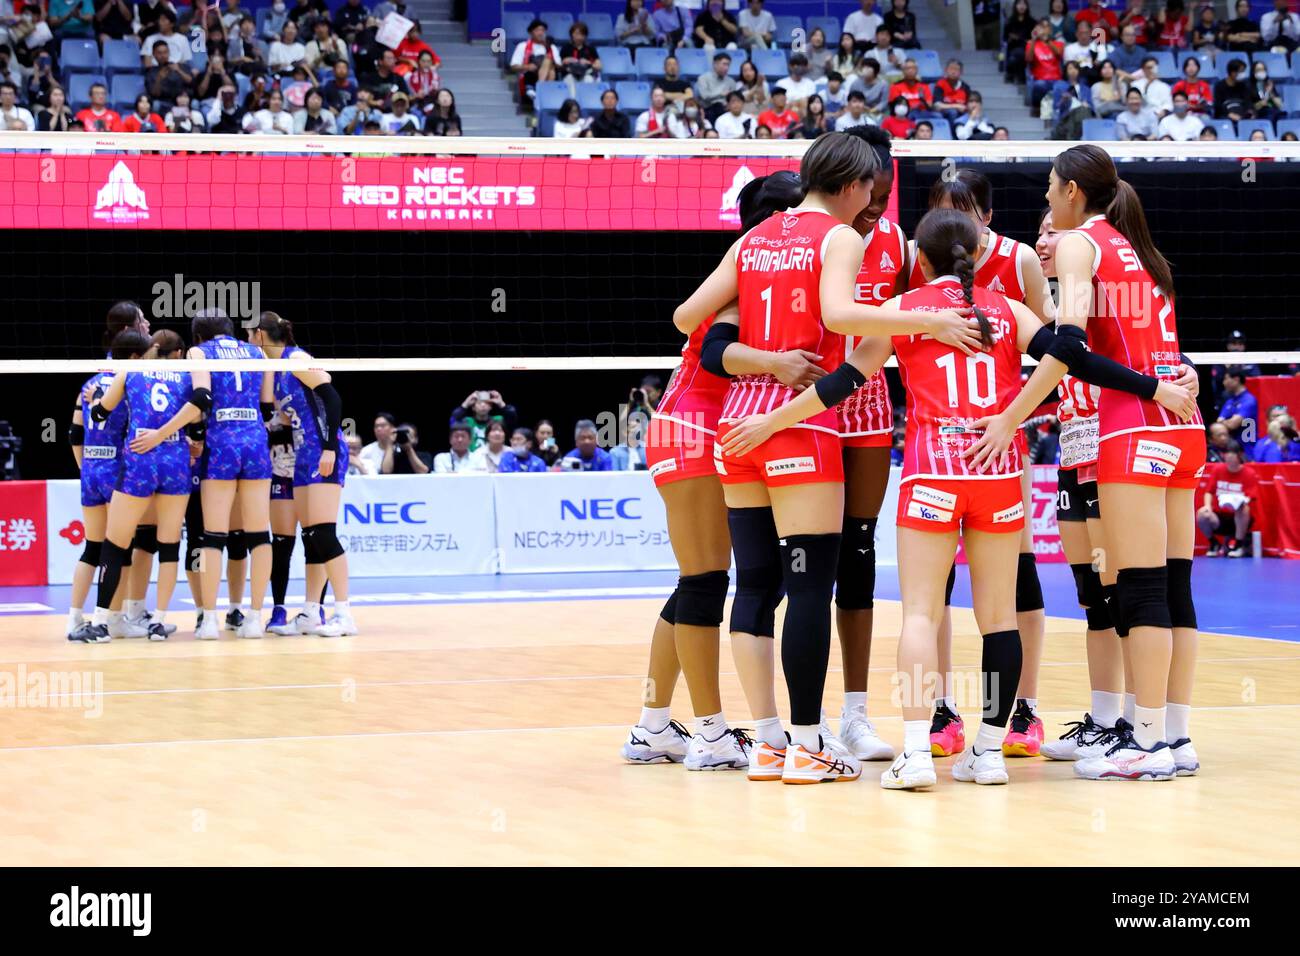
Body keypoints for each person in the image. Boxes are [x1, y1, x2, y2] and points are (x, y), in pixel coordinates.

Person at [674, 132, 983, 784]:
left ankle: (765, 742)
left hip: (737, 423)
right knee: (812, 582)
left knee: (755, 585)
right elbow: (841, 318)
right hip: (799, 422)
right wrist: (924, 321)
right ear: (850, 184)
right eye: (871, 188)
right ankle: (809, 743)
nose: (873, 200)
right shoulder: (840, 236)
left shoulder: (753, 238)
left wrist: (748, 318)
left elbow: (684, 318)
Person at [967, 144, 1205, 781]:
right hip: (1182, 426)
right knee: (1171, 589)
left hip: (1129, 425)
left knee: (1141, 590)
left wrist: (1015, 402)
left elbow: (1069, 338)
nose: (1045, 198)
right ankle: (1174, 737)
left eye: (1049, 186)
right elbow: (1158, 344)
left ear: (1073, 191)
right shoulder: (1142, 253)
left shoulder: (1081, 242)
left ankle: (1146, 741)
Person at [624, 172, 826, 770]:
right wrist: (777, 363)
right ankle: (711, 734)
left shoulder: (768, 277)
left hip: (712, 434)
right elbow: (701, 336)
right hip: (692, 430)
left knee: (696, 582)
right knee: (705, 584)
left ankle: (652, 724)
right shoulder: (742, 278)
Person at [1031, 208, 1200, 762]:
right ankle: (1112, 719)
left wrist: (1185, 367)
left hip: (1118, 439)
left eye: (1053, 230)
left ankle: (1140, 723)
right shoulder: (1050, 295)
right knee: (1093, 594)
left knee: (1130, 587)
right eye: (1040, 232)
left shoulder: (1108, 277)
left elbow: (1141, 347)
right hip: (1076, 449)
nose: (1045, 239)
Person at [906, 170, 1056, 757]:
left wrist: (1012, 418)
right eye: (941, 210)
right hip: (956, 445)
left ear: (985, 216)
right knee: (940, 591)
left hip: (997, 440)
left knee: (1015, 584)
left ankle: (1024, 709)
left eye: (961, 210)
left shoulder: (1018, 261)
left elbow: (1057, 339)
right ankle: (942, 710)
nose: (951, 220)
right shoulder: (927, 266)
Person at [77, 332, 196, 643]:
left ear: (150, 349)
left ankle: (101, 622)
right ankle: (158, 621)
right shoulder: (186, 374)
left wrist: (97, 404)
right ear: (176, 352)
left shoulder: (131, 371)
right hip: (175, 461)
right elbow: (197, 419)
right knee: (169, 543)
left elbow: (101, 412)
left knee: (115, 544)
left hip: (140, 460)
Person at [253, 312, 356, 637]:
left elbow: (331, 396)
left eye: (250, 335)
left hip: (322, 450)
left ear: (260, 335)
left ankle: (344, 613)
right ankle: (311, 612)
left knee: (324, 532)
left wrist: (329, 447)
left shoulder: (296, 359)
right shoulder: (277, 369)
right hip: (301, 454)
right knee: (312, 535)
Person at [176, 312, 275, 641]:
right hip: (255, 441)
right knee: (259, 534)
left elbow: (202, 396)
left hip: (221, 443)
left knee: (213, 535)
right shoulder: (257, 351)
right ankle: (254, 618)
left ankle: (209, 621)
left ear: (200, 336)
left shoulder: (199, 352)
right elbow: (267, 406)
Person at [67, 330, 146, 641]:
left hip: (91, 470)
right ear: (136, 358)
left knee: (92, 548)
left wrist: (85, 468)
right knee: (118, 549)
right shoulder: (129, 383)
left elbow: (74, 434)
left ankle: (73, 619)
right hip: (117, 470)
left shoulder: (89, 384)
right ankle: (113, 620)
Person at [1197, 441, 1257, 556]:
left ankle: (1238, 545)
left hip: (1240, 517)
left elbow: (1251, 497)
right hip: (1220, 517)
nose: (1229, 460)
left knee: (1243, 509)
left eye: (1232, 457)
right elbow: (1209, 492)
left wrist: (1237, 501)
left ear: (1239, 456)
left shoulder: (1249, 473)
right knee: (1202, 514)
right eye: (1226, 456)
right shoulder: (1218, 470)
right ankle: (1214, 543)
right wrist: (1208, 506)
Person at [1217, 366, 1259, 454]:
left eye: (1226, 379)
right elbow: (1219, 423)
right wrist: (1228, 422)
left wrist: (1226, 422)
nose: (1224, 383)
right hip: (1231, 449)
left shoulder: (1249, 400)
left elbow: (1233, 424)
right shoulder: (1229, 401)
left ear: (1236, 379)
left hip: (1247, 450)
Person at [1004, 0, 1035, 81]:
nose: (1022, 6)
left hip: (1028, 48)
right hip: (1013, 48)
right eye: (1019, 4)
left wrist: (1019, 38)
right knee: (1016, 55)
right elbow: (1005, 38)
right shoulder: (1009, 21)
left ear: (1027, 6)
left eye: (1024, 4)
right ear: (1015, 6)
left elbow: (1034, 37)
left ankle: (1014, 74)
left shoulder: (1032, 22)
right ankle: (1019, 76)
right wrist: (1010, 38)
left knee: (1020, 54)